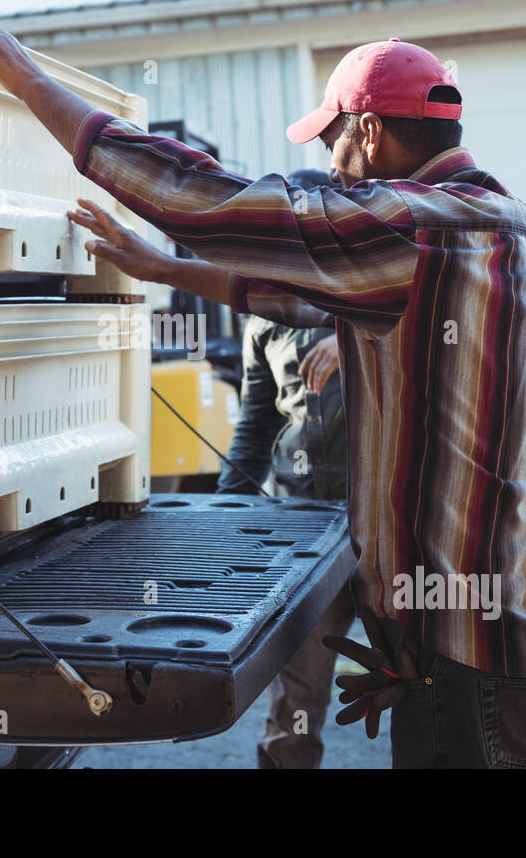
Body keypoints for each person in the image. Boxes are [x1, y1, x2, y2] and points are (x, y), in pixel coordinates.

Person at [0, 9, 526, 768]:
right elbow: (307, 297)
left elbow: (203, 196)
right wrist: (169, 270)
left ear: (369, 132)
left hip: (486, 657)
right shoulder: (518, 227)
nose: (333, 163)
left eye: (332, 139)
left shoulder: (411, 228)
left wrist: (30, 84)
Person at [220, 168, 355, 769]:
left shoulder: (377, 302)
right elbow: (254, 428)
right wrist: (225, 514)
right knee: (295, 703)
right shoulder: (262, 321)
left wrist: (355, 340)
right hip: (303, 533)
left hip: (390, 527)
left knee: (422, 684)